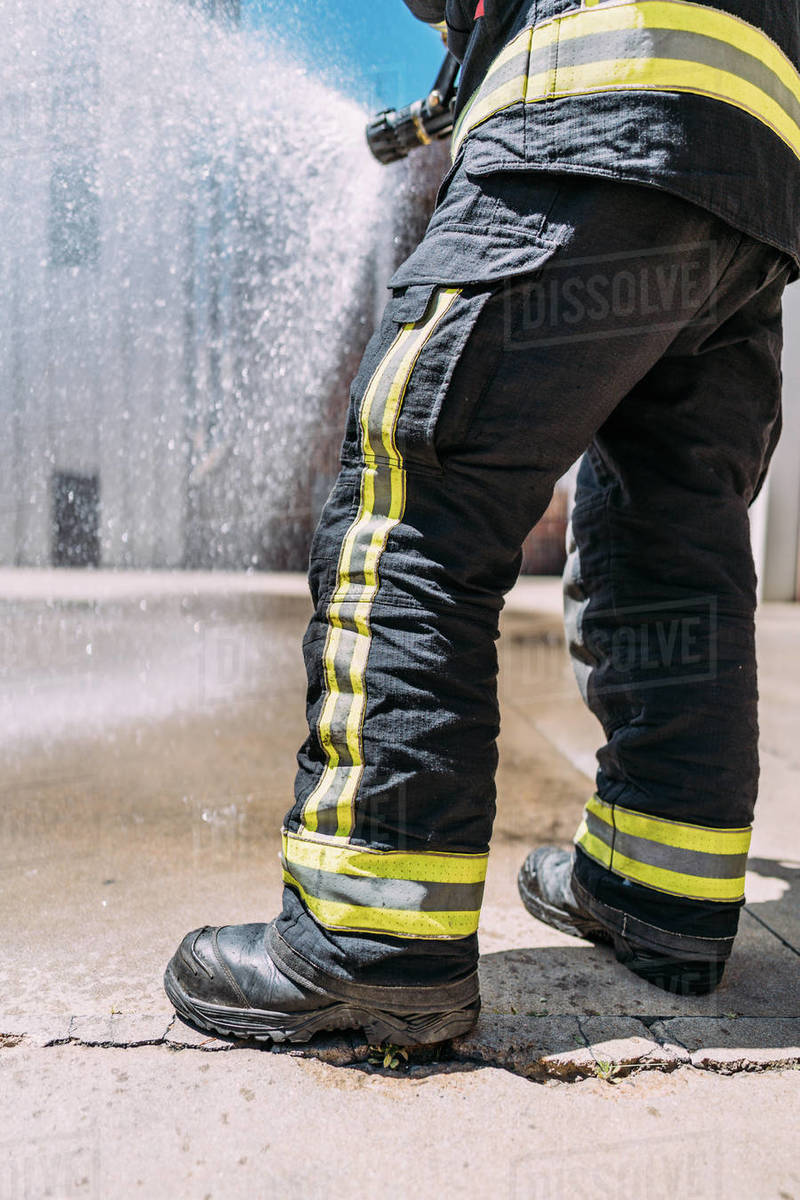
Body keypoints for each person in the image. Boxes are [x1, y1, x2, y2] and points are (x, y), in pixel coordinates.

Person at [164, 0, 800, 1044]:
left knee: (414, 494)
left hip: (587, 111)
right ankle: (660, 895)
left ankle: (367, 940)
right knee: (671, 540)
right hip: (750, 176)